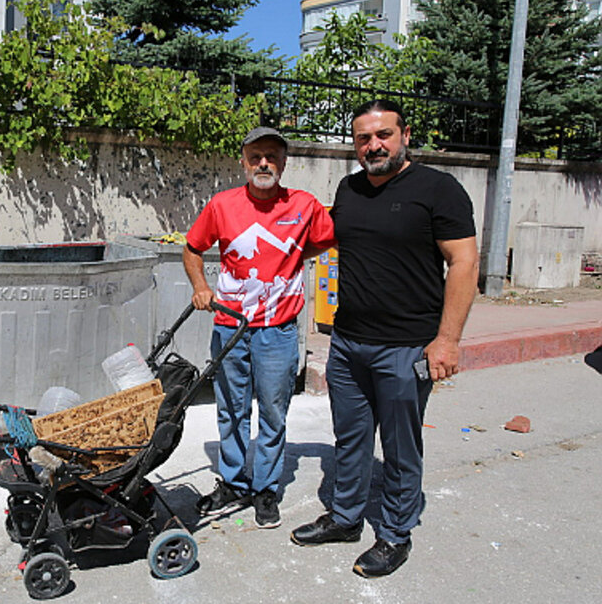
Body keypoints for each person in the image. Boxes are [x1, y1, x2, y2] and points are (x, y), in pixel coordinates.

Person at [290, 100, 480, 578]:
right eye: (363, 139)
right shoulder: (349, 188)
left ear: (404, 135)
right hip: (348, 343)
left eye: (383, 135)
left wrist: (447, 340)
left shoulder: (438, 189)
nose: (373, 146)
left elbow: (464, 263)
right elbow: (328, 240)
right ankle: (346, 517)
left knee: (400, 447)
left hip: (406, 346)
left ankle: (395, 533)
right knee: (350, 439)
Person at [183, 126, 336, 528]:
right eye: (255, 157)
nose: (263, 163)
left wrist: (296, 257)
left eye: (271, 156)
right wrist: (200, 287)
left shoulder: (304, 205)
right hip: (230, 327)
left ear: (283, 163)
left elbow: (326, 240)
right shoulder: (222, 205)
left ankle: (265, 489)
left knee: (273, 411)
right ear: (244, 162)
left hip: (278, 331)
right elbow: (192, 248)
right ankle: (234, 482)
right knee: (231, 410)